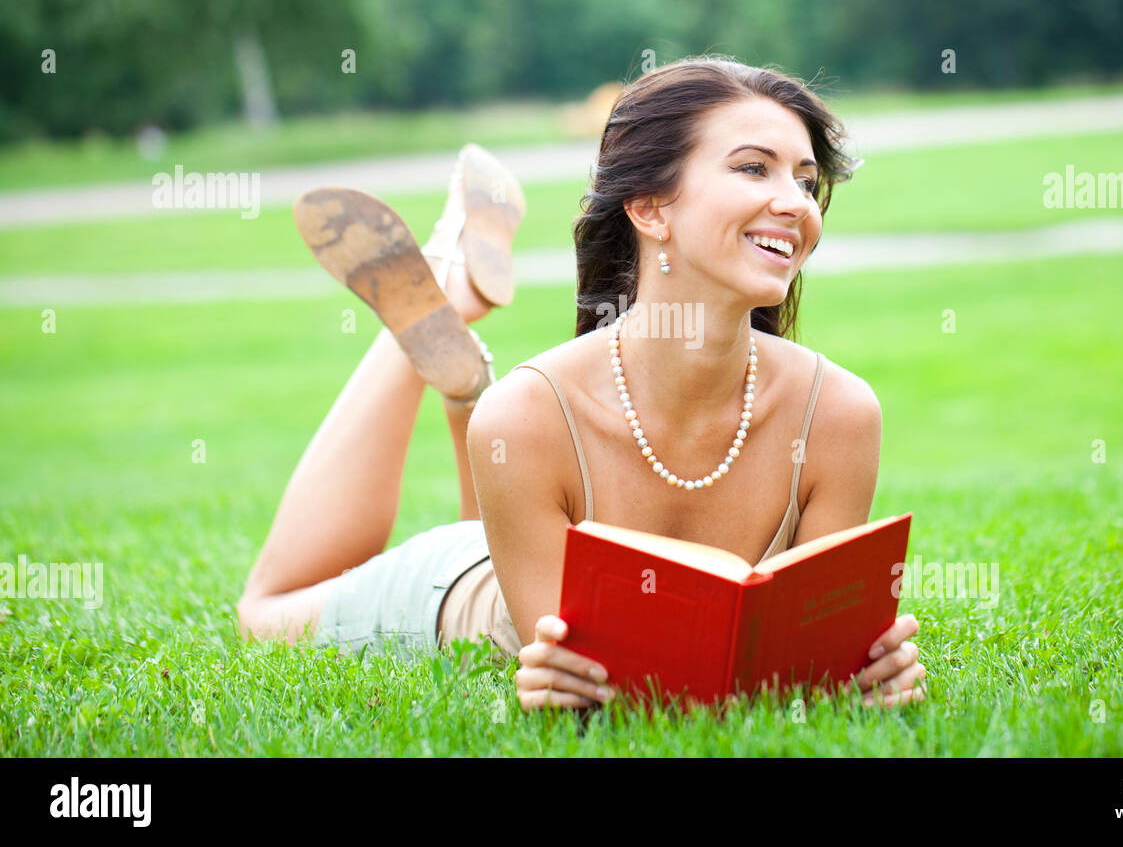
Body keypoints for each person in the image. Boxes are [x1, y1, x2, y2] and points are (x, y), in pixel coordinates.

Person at [237, 56, 926, 712]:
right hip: (461, 586)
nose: (795, 204)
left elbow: (812, 654)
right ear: (650, 207)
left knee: (506, 434)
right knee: (263, 614)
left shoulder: (838, 415)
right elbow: (592, 682)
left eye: (806, 182)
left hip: (523, 511)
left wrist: (864, 672)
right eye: (754, 169)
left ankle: (461, 382)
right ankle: (421, 322)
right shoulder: (529, 417)